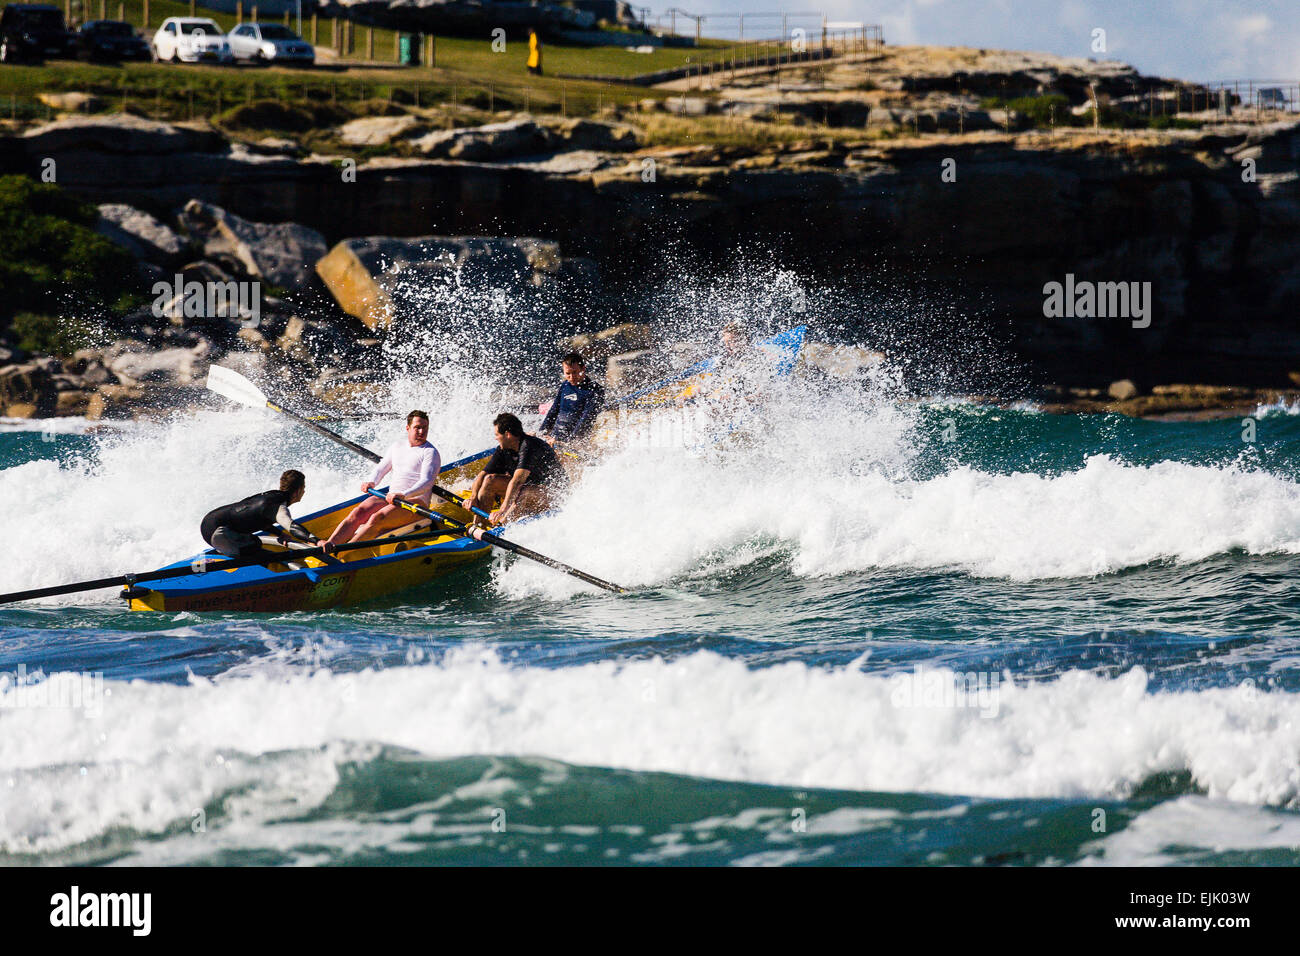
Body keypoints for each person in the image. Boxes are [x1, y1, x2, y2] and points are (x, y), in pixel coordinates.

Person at [325, 410, 441, 548]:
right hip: (392, 498)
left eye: (425, 428)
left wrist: (404, 495)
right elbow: (381, 468)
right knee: (359, 512)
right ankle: (328, 545)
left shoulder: (430, 452)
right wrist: (371, 481)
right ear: (408, 428)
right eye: (417, 427)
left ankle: (342, 553)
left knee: (376, 518)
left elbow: (426, 482)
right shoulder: (397, 446)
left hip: (415, 504)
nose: (422, 432)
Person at [465, 412, 566, 528]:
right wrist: (472, 498)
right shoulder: (504, 448)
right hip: (528, 489)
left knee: (524, 492)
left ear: (507, 434)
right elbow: (482, 475)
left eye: (497, 434)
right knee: (489, 480)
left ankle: (502, 528)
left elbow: (517, 482)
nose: (495, 438)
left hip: (554, 495)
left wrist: (502, 510)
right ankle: (478, 527)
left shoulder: (529, 446)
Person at [201, 469, 321, 561]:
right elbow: (293, 527)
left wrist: (280, 534)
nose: (304, 492)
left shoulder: (270, 495)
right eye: (303, 488)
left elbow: (256, 517)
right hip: (216, 532)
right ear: (297, 491)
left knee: (255, 542)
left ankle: (228, 549)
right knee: (257, 551)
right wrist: (318, 541)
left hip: (210, 521)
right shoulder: (279, 506)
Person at [539, 351, 605, 446]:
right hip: (555, 438)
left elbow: (587, 419)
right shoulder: (565, 385)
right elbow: (554, 410)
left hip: (576, 442)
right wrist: (542, 434)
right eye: (567, 373)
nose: (571, 377)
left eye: (575, 372)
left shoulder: (595, 390)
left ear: (583, 368)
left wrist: (569, 442)